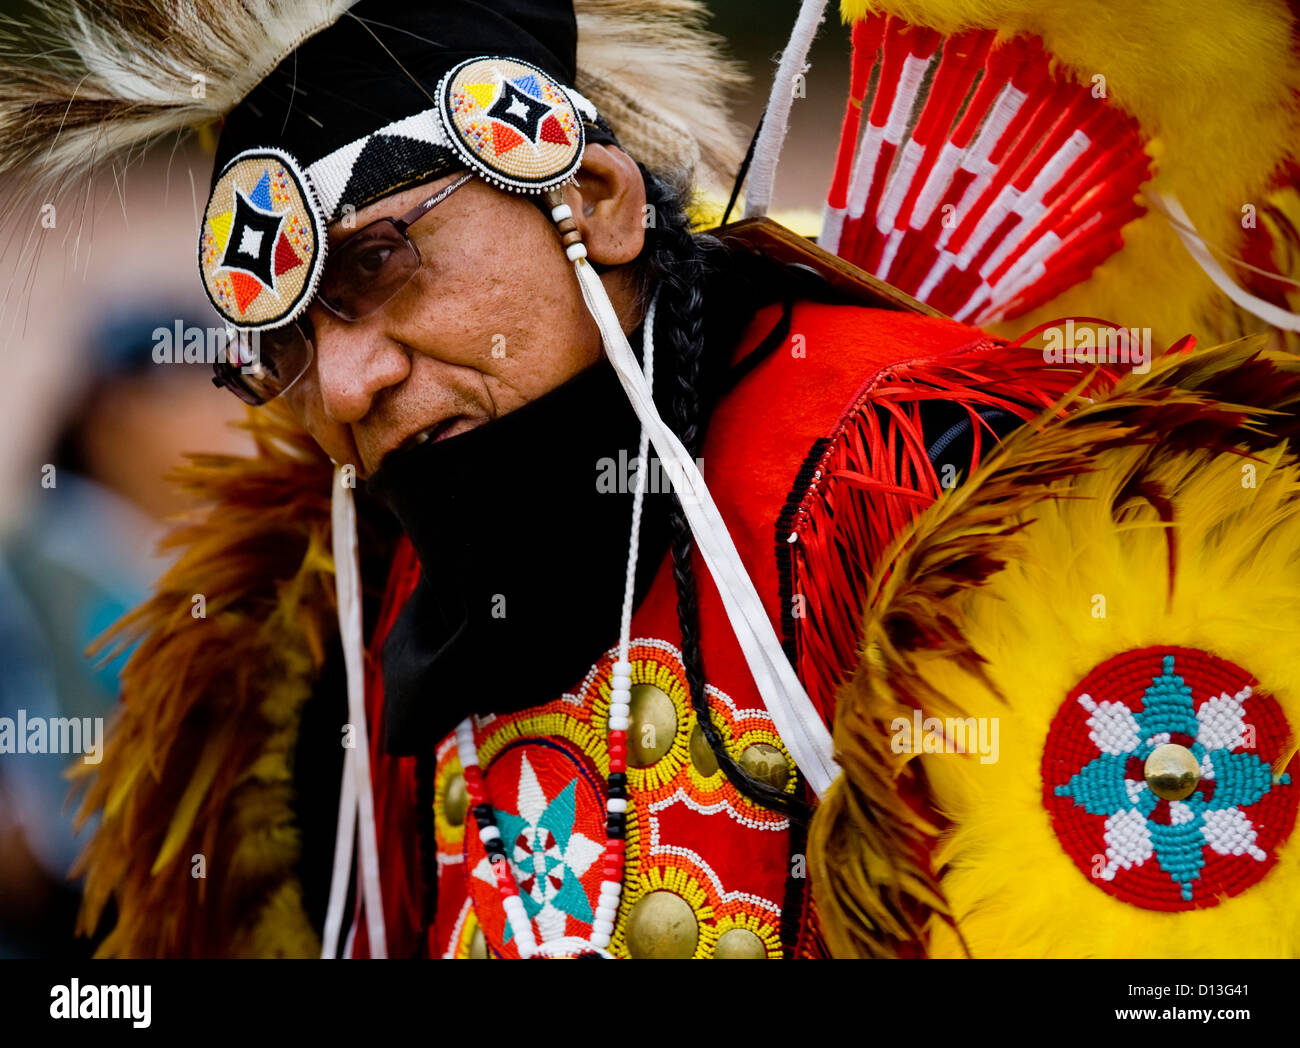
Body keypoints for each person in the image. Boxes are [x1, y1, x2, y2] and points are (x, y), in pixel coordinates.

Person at [5, 0, 1299, 959]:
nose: (342, 385)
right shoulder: (352, 611)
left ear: (605, 202)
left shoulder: (922, 479)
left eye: (382, 268)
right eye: (288, 342)